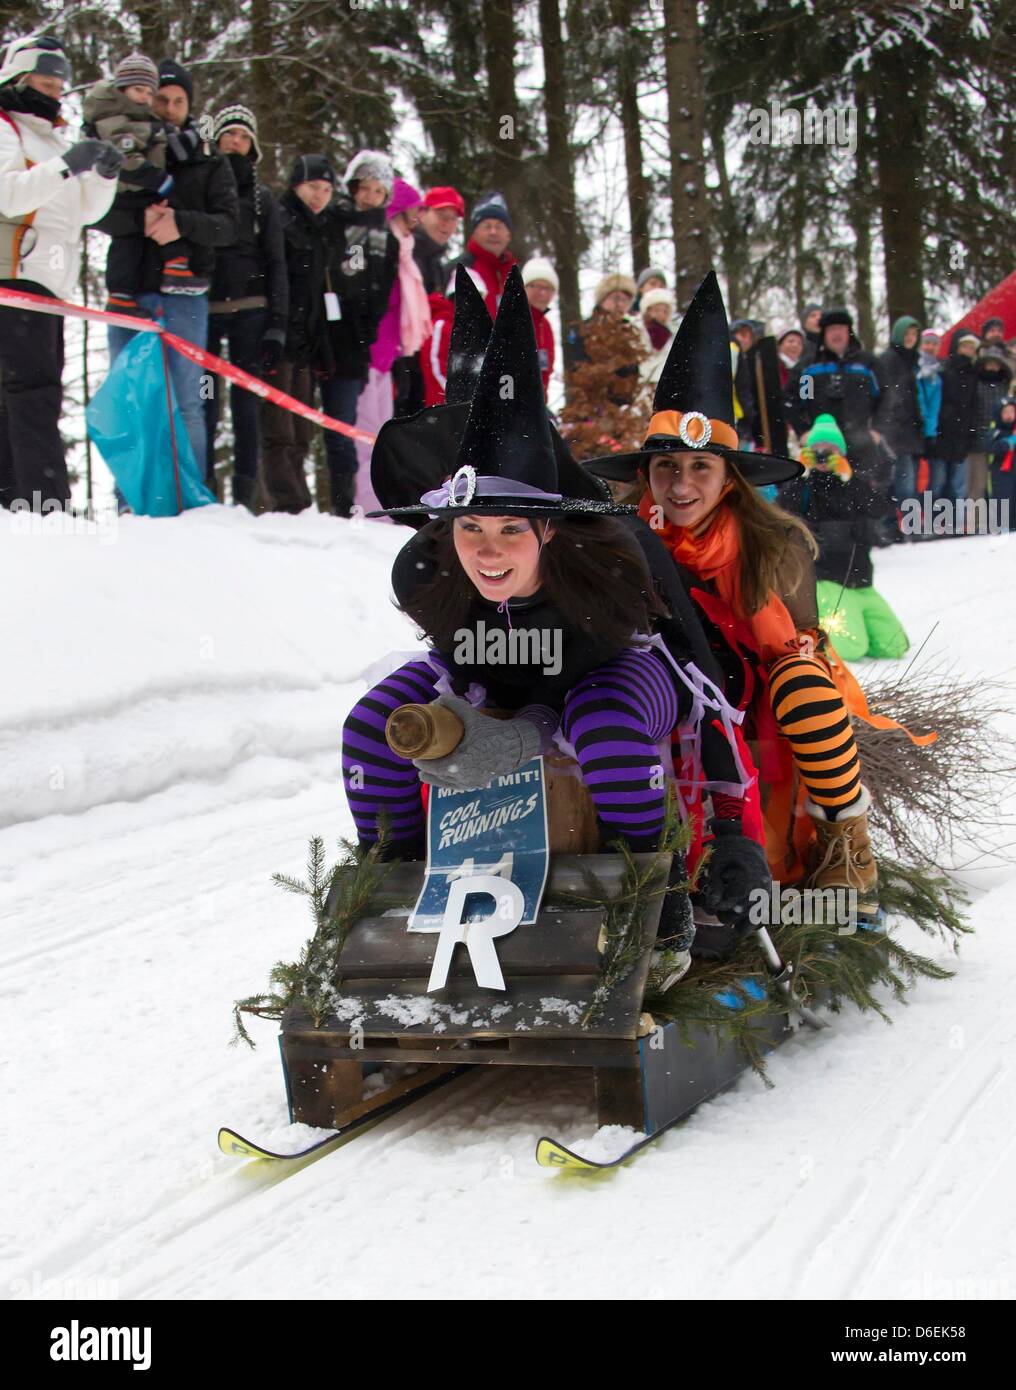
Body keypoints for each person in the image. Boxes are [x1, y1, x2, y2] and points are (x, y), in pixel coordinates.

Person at [344, 267, 768, 972]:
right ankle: (395, 889)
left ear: (551, 531)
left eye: (512, 530)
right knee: (370, 726)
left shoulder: (614, 566)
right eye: (470, 528)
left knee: (602, 727)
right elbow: (458, 662)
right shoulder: (433, 574)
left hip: (614, 672)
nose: (487, 550)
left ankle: (652, 905)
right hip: (498, 677)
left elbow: (700, 682)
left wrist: (733, 829)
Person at [616, 272, 927, 913]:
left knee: (805, 685)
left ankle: (844, 837)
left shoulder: (771, 543)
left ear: (728, 477)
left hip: (758, 684)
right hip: (663, 684)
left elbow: (790, 649)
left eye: (700, 467)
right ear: (645, 473)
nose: (680, 485)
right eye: (666, 467)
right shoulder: (621, 541)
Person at [97, 58, 238, 487]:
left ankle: (187, 493)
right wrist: (139, 224)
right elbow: (94, 212)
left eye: (179, 100)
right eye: (162, 99)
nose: (169, 107)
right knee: (130, 399)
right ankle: (132, 495)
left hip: (186, 294)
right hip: (128, 289)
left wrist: (181, 224)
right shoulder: (122, 150)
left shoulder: (208, 160)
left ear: (189, 105)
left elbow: (229, 225)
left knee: (186, 401)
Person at [0, 34, 120, 510]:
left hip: (48, 281)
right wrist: (69, 166)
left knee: (24, 389)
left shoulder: (51, 138)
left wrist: (104, 175)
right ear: (16, 79)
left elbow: (86, 212)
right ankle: (42, 501)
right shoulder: (6, 127)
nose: (52, 92)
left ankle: (15, 497)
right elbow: (9, 194)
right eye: (43, 82)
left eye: (58, 84)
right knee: (34, 389)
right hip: (13, 276)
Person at [204, 104, 287, 508]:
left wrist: (277, 325)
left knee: (245, 407)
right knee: (203, 402)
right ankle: (202, 488)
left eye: (243, 136)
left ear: (252, 147)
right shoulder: (202, 186)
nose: (235, 142)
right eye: (229, 134)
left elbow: (277, 262)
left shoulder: (262, 198)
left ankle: (244, 494)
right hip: (204, 310)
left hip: (251, 312)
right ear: (216, 141)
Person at [778, 415, 909, 659]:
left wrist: (851, 479)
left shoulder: (852, 483)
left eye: (829, 451)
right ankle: (813, 633)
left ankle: (850, 622)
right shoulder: (803, 486)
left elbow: (880, 509)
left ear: (841, 453)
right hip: (825, 579)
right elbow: (780, 514)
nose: (822, 457)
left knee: (894, 646)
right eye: (816, 451)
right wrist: (801, 474)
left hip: (860, 579)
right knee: (851, 648)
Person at [82, 54, 201, 298]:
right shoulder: (116, 116)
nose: (145, 99)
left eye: (149, 93)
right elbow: (122, 157)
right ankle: (129, 288)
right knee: (131, 235)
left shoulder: (199, 150)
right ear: (122, 89)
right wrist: (158, 180)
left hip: (139, 190)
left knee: (141, 233)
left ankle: (126, 290)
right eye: (142, 92)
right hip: (131, 189)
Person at [260, 154, 336, 513]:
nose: (319, 195)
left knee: (303, 429)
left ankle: (298, 500)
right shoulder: (280, 216)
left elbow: (319, 294)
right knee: (279, 429)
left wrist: (321, 345)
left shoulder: (320, 229)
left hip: (306, 343)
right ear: (295, 185)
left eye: (326, 189)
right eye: (312, 187)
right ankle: (286, 501)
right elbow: (275, 277)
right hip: (279, 337)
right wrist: (274, 329)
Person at [323, 149, 398, 514]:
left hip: (354, 346)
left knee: (343, 427)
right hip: (319, 334)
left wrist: (361, 331)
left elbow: (380, 296)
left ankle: (342, 506)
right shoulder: (332, 223)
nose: (369, 197)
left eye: (377, 190)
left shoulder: (388, 242)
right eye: (363, 188)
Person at [351, 174, 428, 516]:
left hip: (387, 359)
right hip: (365, 357)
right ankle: (366, 508)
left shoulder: (404, 254)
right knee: (364, 437)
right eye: (408, 213)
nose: (414, 222)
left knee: (380, 438)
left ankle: (379, 507)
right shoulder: (381, 248)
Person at [874, 316, 923, 517]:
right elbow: (889, 396)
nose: (911, 338)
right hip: (894, 433)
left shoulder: (911, 360)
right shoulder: (890, 359)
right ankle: (891, 525)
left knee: (906, 482)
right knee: (896, 482)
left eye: (914, 334)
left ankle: (903, 525)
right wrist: (896, 418)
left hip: (907, 432)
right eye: (907, 334)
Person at [445, 190, 516, 316]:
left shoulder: (515, 273)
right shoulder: (456, 269)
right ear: (475, 233)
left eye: (499, 227)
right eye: (487, 226)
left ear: (508, 235)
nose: (493, 232)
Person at [936, 330, 980, 514]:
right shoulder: (944, 369)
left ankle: (958, 523)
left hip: (962, 434)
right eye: (965, 346)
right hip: (943, 433)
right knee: (939, 482)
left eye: (971, 347)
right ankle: (937, 522)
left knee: (959, 485)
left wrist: (972, 430)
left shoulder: (973, 374)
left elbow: (973, 405)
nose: (968, 350)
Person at [968, 346, 1013, 509]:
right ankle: (976, 525)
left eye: (996, 364)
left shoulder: (1004, 387)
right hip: (978, 441)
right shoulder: (976, 385)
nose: (993, 367)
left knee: (1001, 484)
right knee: (978, 485)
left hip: (1001, 443)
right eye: (990, 364)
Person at [413, 185, 463, 294]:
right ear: (422, 214)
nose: (447, 223)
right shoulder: (407, 252)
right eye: (441, 214)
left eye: (453, 218)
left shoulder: (436, 263)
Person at [521, 256, 557, 398]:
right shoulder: (512, 320)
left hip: (537, 404)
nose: (542, 293)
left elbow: (546, 370)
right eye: (535, 286)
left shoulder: (545, 325)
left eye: (547, 288)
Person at [916, 328, 944, 500]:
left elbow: (935, 405)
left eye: (934, 344)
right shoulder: (915, 368)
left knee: (933, 480)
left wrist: (931, 431)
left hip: (930, 432)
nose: (930, 347)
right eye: (927, 343)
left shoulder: (937, 374)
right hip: (914, 430)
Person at [988, 396, 1016, 530]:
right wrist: (1006, 444)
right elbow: (990, 447)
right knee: (1003, 500)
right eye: (1005, 412)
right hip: (1001, 473)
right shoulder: (996, 431)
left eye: (1012, 412)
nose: (1009, 415)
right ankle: (1002, 526)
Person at [639, 286, 675, 388]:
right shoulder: (639, 331)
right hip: (643, 385)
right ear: (648, 311)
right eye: (657, 310)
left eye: (665, 311)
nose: (661, 315)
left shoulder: (671, 337)